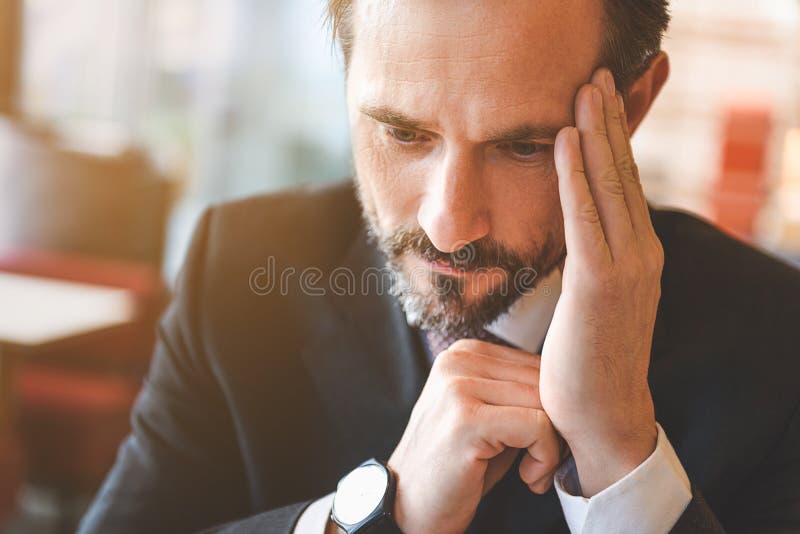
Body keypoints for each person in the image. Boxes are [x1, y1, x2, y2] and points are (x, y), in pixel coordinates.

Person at [79, 1, 800, 533]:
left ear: (633, 105)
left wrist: (622, 461)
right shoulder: (239, 267)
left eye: (521, 147)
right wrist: (371, 515)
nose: (448, 223)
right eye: (402, 132)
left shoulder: (781, 343)